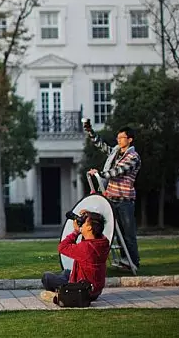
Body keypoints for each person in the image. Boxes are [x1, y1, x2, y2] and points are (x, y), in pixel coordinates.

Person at [85, 122, 141, 268]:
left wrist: (99, 174)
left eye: (122, 138)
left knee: (128, 233)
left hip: (125, 200)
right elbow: (101, 145)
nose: (119, 140)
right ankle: (124, 260)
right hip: (111, 198)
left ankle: (133, 261)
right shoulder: (115, 153)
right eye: (118, 138)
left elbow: (118, 171)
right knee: (118, 233)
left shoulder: (133, 157)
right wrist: (90, 131)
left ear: (130, 140)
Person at [40, 211, 110, 303]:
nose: (82, 224)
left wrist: (76, 231)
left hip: (82, 290)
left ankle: (64, 294)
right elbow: (94, 232)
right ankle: (64, 288)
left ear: (89, 227)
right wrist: (89, 215)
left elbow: (62, 247)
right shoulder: (103, 242)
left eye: (84, 222)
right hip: (95, 290)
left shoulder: (86, 248)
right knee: (66, 272)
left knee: (47, 277)